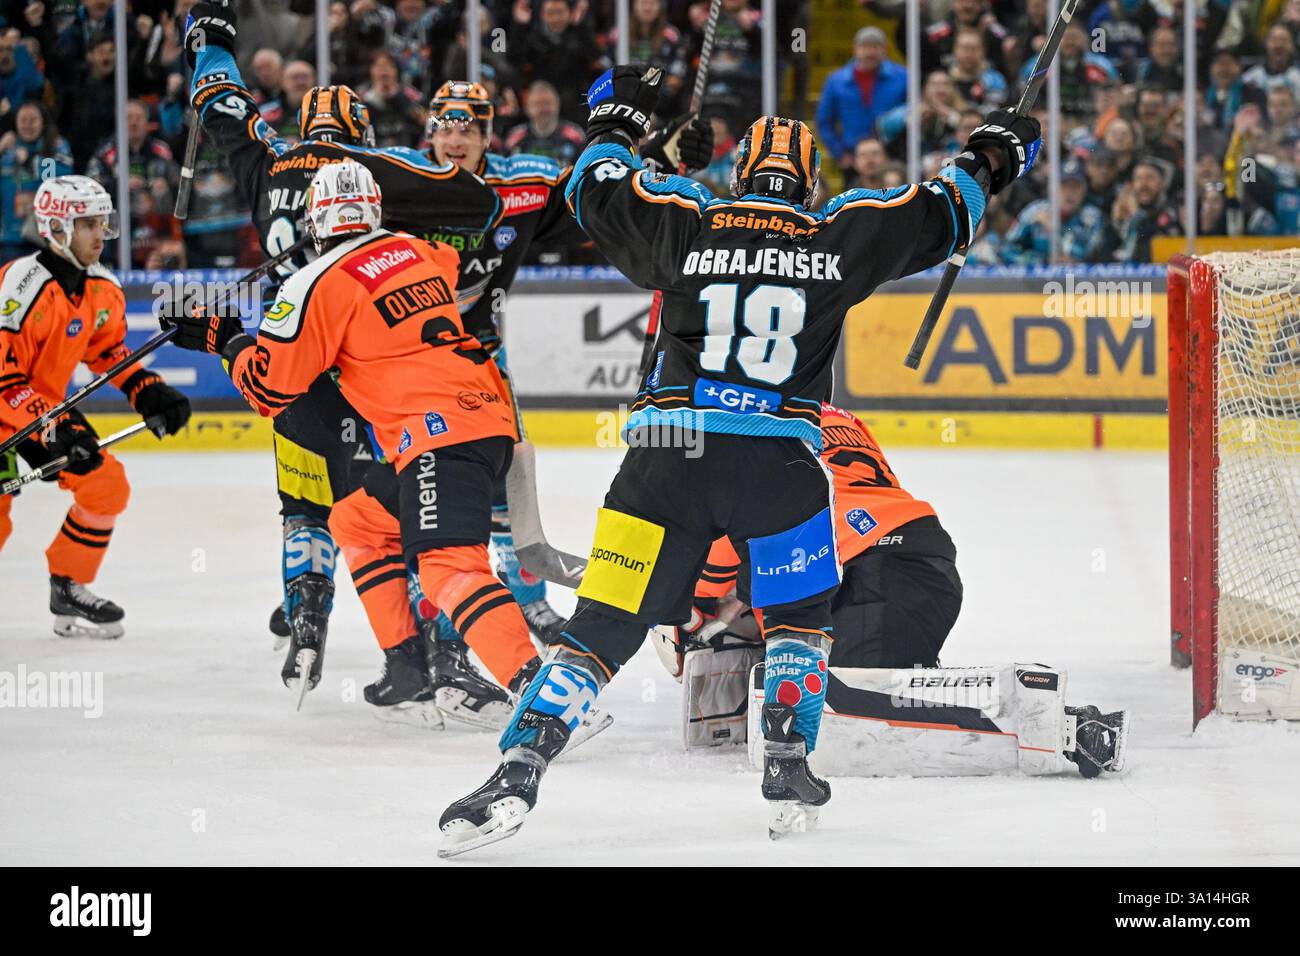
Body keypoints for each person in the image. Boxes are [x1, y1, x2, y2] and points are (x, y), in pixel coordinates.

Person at [436, 65, 1041, 857]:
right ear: (808, 181)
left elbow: (593, 188)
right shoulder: (836, 235)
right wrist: (995, 154)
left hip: (663, 460)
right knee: (797, 622)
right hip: (778, 469)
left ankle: (518, 769)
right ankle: (788, 759)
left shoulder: (690, 222)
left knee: (598, 629)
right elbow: (943, 208)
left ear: (739, 172)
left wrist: (618, 119)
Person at [185, 0, 503, 706]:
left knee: (306, 508)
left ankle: (305, 618)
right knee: (403, 514)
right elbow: (478, 205)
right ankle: (443, 651)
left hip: (287, 362)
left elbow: (220, 103)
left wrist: (207, 41)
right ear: (359, 133)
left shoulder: (265, 163)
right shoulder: (372, 168)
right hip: (364, 383)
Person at [162, 159, 545, 722]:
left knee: (447, 568)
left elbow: (271, 390)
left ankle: (545, 695)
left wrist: (227, 338)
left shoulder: (311, 284)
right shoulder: (423, 252)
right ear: (376, 210)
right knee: (354, 521)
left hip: (438, 436)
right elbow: (438, 261)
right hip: (486, 419)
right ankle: (406, 661)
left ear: (314, 222)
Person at [658, 403, 1127, 779]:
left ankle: (1060, 726)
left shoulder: (735, 432)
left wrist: (684, 614)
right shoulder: (828, 413)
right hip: (907, 555)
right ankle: (933, 686)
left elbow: (711, 572)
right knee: (850, 678)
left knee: (843, 711)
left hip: (880, 570)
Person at [0, 175, 190, 639]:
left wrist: (146, 388)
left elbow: (106, 353)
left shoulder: (102, 288)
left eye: (103, 223)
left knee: (106, 485)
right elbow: (3, 379)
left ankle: (68, 584)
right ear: (57, 228)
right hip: (8, 404)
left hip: (36, 406)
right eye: (88, 224)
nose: (99, 235)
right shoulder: (20, 286)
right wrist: (52, 425)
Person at [815, 26, 907, 174]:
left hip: (893, 160)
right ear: (855, 49)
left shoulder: (902, 77)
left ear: (885, 50)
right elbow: (824, 122)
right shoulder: (836, 81)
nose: (870, 52)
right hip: (853, 160)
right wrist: (840, 154)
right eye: (865, 47)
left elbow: (912, 113)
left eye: (875, 47)